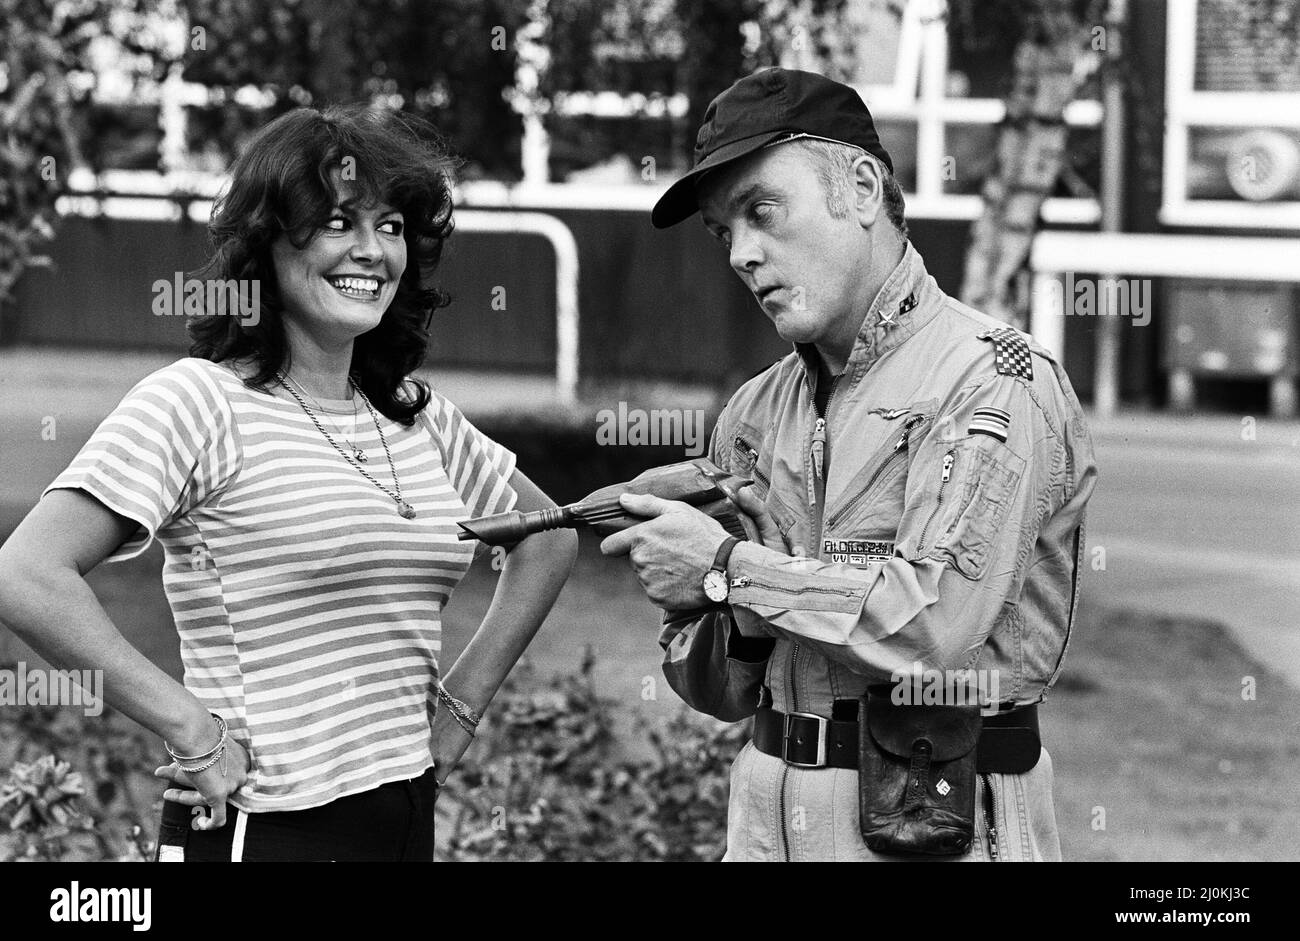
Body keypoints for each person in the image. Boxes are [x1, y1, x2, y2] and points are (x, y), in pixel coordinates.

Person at [0, 104, 577, 861]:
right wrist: (192, 729)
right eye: (338, 222)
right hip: (265, 829)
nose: (372, 251)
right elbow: (26, 574)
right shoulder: (199, 403)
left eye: (392, 226)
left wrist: (460, 708)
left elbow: (550, 536)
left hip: (404, 815)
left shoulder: (419, 418)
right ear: (267, 242)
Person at [601, 68, 1098, 861]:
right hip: (763, 829)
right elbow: (721, 695)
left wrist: (729, 567)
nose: (741, 253)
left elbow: (931, 626)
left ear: (862, 187)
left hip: (933, 825)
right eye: (723, 231)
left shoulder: (994, 380)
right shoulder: (756, 411)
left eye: (763, 211)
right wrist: (721, 607)